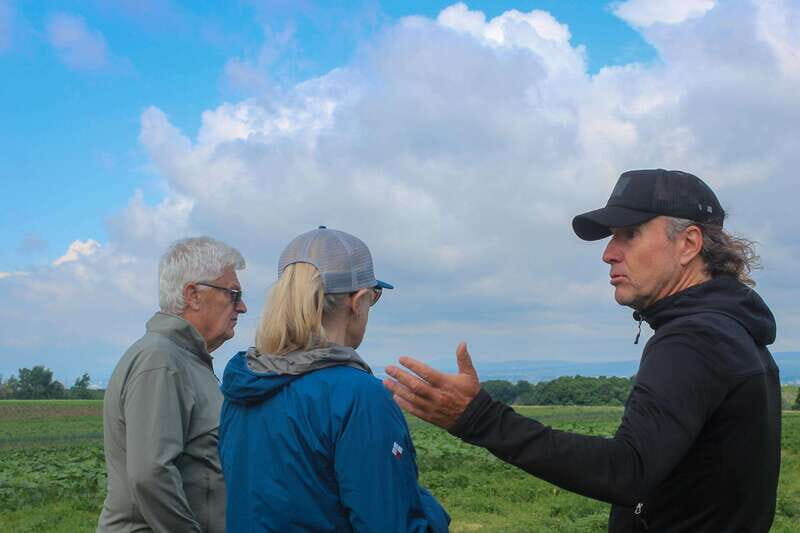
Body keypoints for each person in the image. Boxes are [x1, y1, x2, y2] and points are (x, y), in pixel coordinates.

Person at [384, 169, 781, 532]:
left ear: (688, 243)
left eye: (630, 234)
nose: (609, 253)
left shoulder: (695, 339)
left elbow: (628, 469)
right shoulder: (734, 332)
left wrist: (480, 418)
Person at [218, 226, 450, 532]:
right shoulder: (359, 395)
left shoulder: (243, 385)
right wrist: (431, 510)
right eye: (373, 298)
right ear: (358, 300)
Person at [97, 236, 247, 533]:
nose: (241, 307)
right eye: (233, 293)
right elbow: (151, 475)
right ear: (193, 295)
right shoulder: (161, 361)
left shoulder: (185, 360)